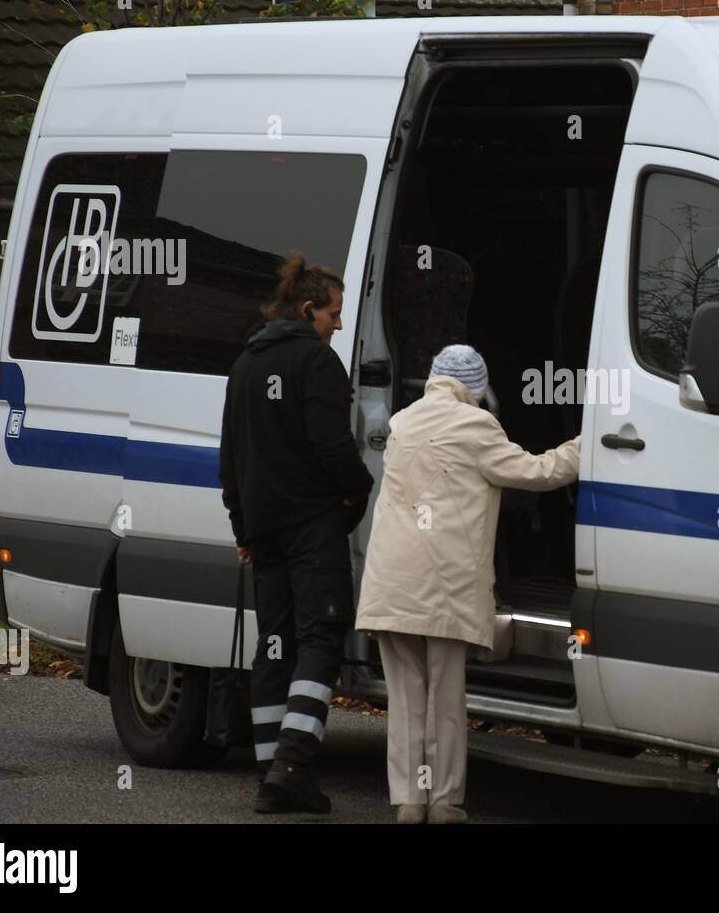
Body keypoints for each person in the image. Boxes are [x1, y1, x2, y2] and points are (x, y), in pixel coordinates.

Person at [355, 344, 580, 824]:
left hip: (392, 580)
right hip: (445, 584)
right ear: (476, 389)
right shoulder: (476, 426)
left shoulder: (402, 423)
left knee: (406, 696)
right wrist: (586, 446)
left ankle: (409, 801)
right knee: (446, 698)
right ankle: (443, 801)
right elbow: (536, 473)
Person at [218, 252, 374, 814]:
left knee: (275, 644)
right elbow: (332, 446)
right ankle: (292, 767)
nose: (338, 325)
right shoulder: (316, 362)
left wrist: (243, 526)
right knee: (320, 640)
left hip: (264, 533)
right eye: (334, 314)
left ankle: (268, 770)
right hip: (312, 528)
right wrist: (360, 488)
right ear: (309, 310)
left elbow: (229, 459)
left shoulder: (245, 364)